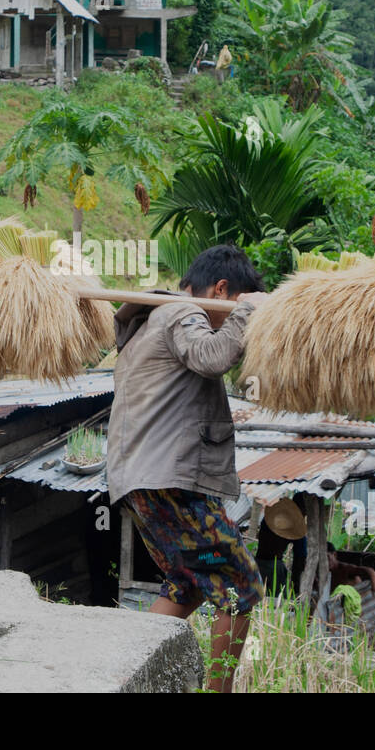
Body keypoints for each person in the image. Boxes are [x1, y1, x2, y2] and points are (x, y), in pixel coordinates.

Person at [107, 244, 268, 693]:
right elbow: (212, 356)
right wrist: (247, 312)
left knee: (187, 584)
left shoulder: (150, 323)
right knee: (241, 584)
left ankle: (123, 681)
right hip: (169, 479)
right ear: (221, 290)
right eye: (234, 302)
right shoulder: (183, 313)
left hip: (142, 480)